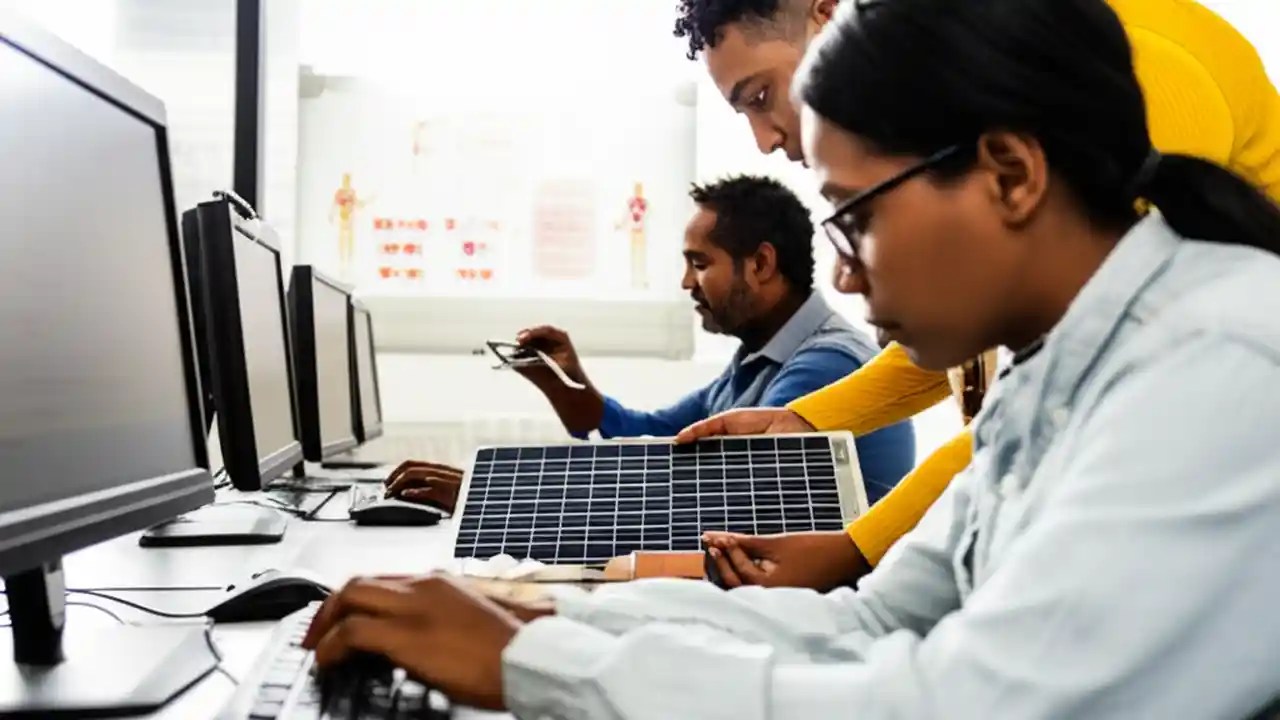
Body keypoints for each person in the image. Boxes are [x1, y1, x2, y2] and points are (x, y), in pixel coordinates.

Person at [303, 0, 1280, 715]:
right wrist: (536, 617)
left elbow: (958, 706)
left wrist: (539, 668)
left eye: (852, 219)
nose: (846, 282)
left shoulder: (1213, 369)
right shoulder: (1048, 380)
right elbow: (866, 625)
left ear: (1010, 173)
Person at [673, 0, 1280, 590]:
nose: (762, 140)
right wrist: (808, 419)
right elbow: (959, 326)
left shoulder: (1097, 73)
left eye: (760, 97)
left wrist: (856, 547)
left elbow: (1038, 408)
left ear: (828, 16)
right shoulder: (969, 94)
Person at [389, 174, 916, 505]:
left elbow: (702, 498)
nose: (687, 283)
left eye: (700, 264)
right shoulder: (756, 360)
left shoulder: (826, 366)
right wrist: (563, 383)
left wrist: (487, 495)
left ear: (759, 264)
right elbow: (646, 438)